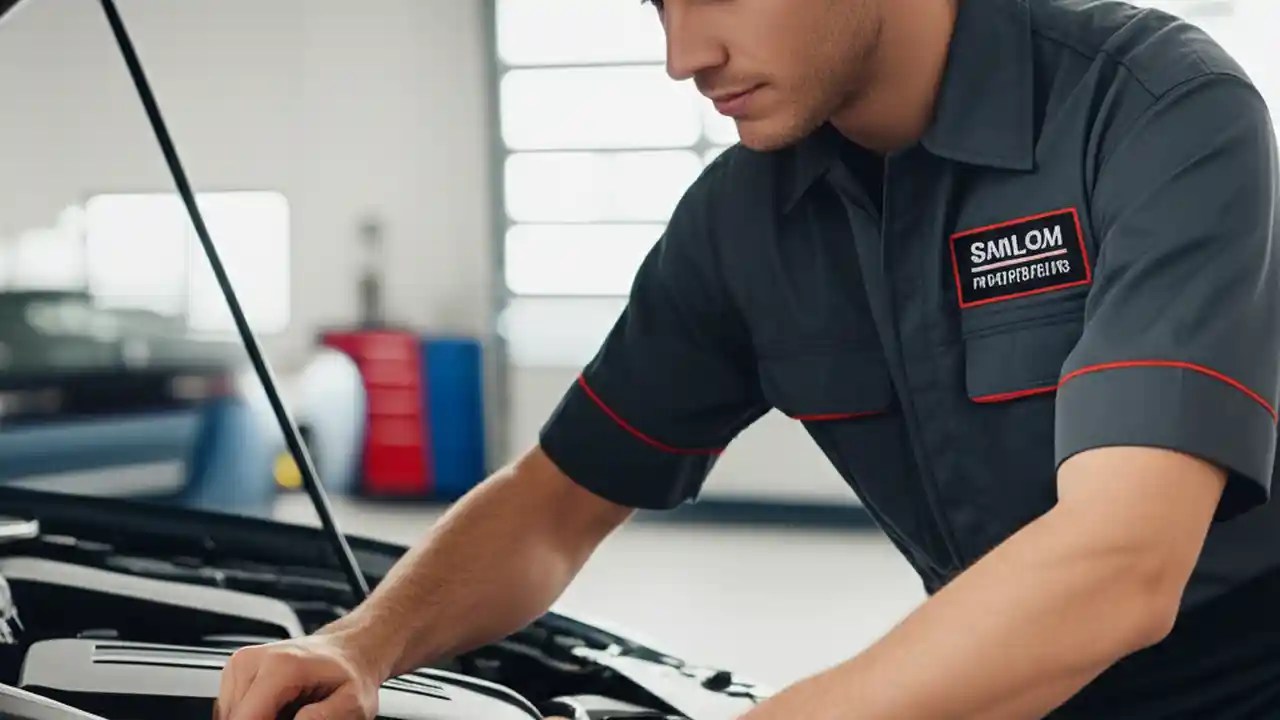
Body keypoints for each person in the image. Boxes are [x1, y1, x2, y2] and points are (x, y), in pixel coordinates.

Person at [214, 0, 1280, 717]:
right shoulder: (743, 220)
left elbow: (1120, 569)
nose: (682, 55)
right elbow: (552, 502)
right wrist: (360, 643)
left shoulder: (1151, 111)